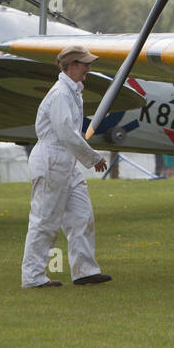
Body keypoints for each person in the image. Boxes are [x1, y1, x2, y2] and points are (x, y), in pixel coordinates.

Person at [21, 45, 112, 288]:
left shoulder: (72, 91)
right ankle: (33, 277)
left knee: (82, 216)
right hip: (53, 159)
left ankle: (84, 271)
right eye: (85, 64)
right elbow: (66, 133)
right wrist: (94, 158)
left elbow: (69, 136)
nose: (88, 69)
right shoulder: (61, 93)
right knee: (45, 220)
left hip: (66, 160)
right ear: (71, 65)